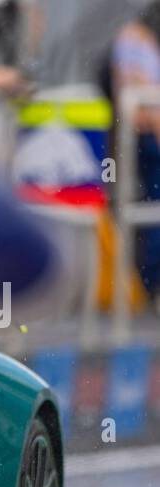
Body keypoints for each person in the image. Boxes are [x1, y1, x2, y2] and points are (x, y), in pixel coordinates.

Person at [112, 1, 160, 296]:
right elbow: (138, 106)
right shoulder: (133, 38)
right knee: (152, 213)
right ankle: (154, 285)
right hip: (147, 141)